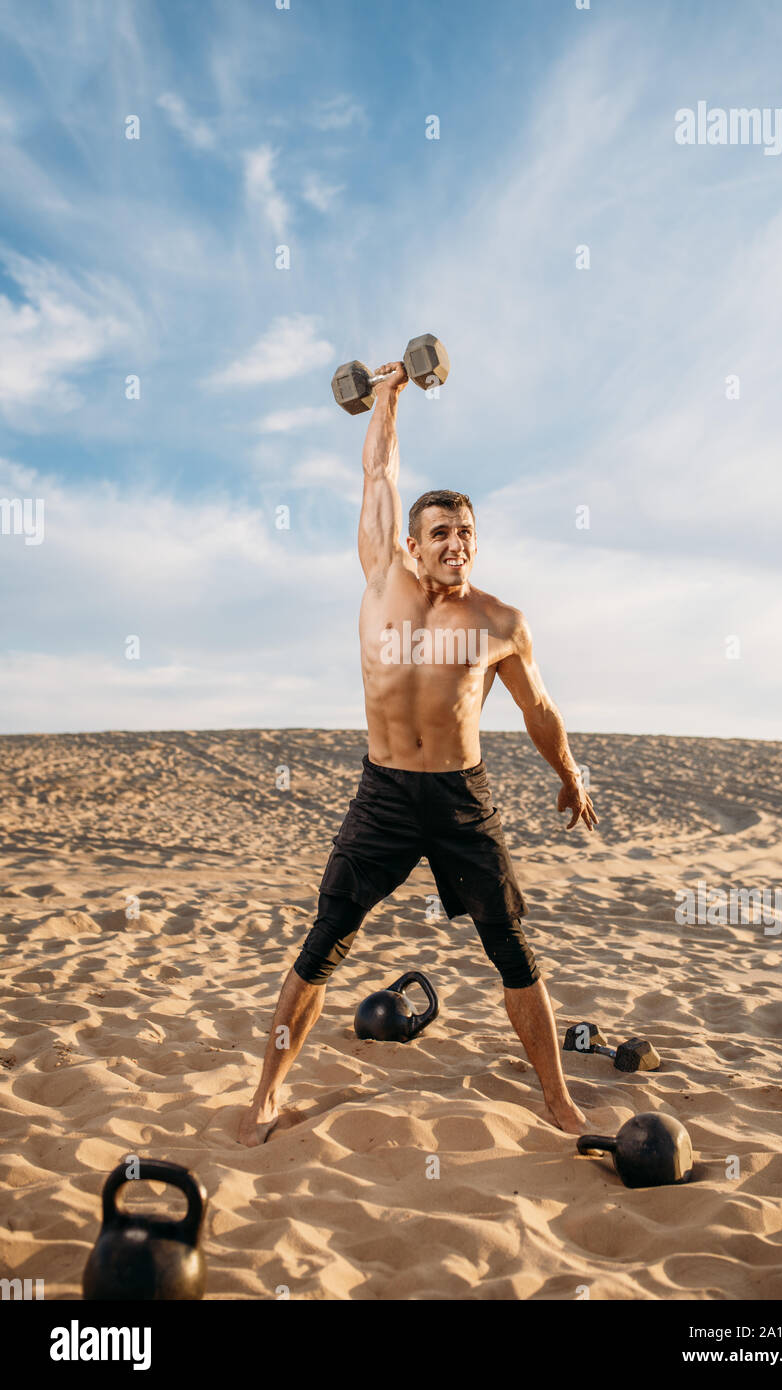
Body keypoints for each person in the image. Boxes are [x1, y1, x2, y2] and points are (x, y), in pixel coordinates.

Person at [239, 358, 598, 1146]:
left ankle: (559, 1100)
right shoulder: (382, 584)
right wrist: (389, 396)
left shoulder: (500, 621)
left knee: (510, 946)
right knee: (324, 942)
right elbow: (377, 471)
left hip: (461, 800)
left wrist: (568, 773)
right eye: (441, 533)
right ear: (409, 543)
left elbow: (537, 707)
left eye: (466, 533)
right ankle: (265, 1097)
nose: (456, 544)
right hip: (386, 796)